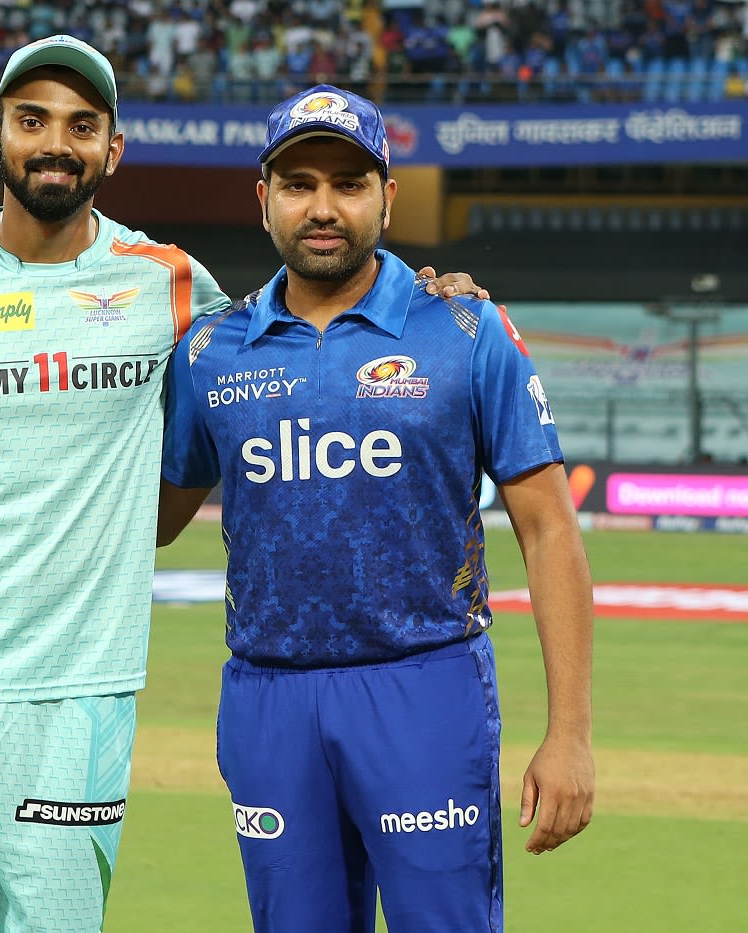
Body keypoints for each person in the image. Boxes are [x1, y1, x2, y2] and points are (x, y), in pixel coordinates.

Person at [0, 39, 487, 932]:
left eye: (82, 126)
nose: (57, 143)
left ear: (113, 150)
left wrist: (423, 294)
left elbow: (286, 329)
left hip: (78, 702)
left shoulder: (172, 288)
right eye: (33, 121)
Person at [158, 84, 595, 932]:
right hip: (268, 699)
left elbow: (549, 530)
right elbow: (152, 520)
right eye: (299, 184)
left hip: (425, 687)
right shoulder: (210, 352)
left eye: (349, 183)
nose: (323, 208)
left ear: (387, 198)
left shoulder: (464, 329)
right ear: (264, 201)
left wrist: (569, 732)